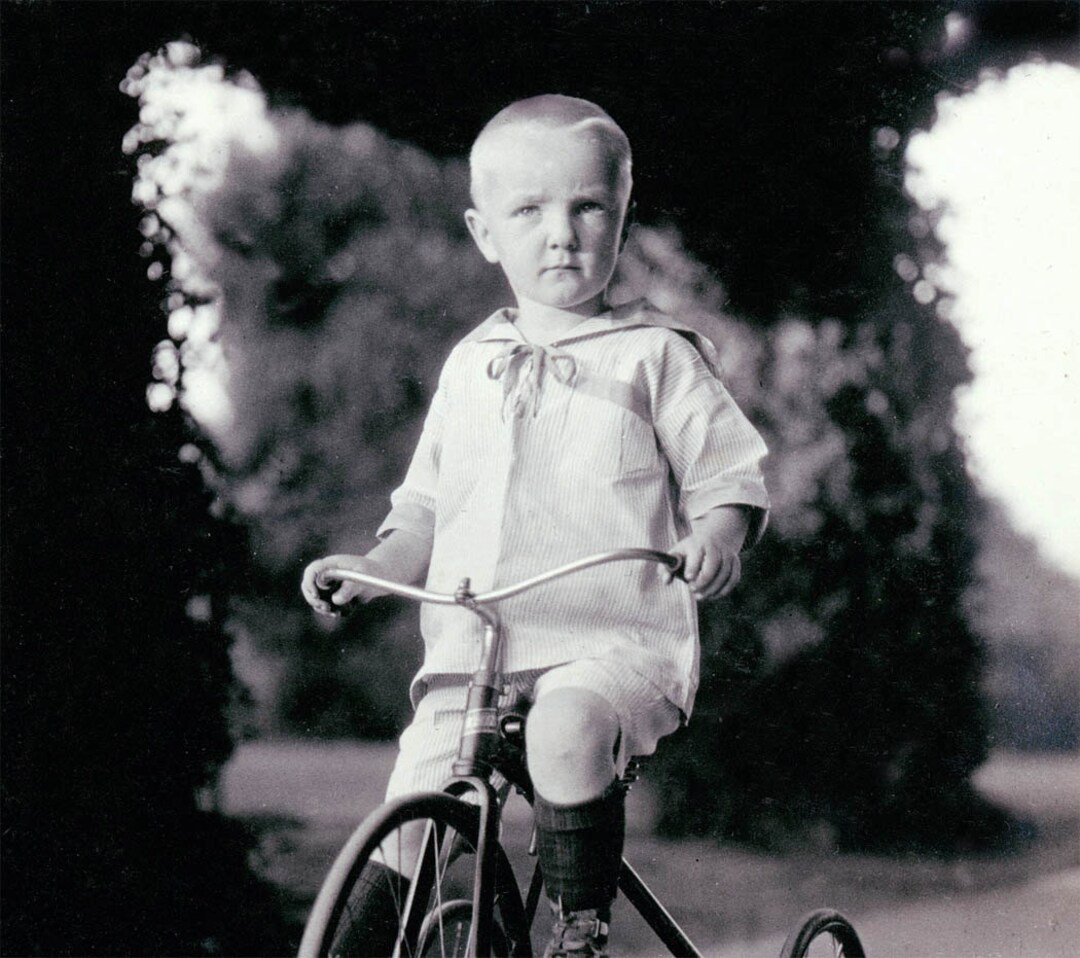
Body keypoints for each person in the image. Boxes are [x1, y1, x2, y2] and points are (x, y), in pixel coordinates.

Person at [301, 94, 769, 958]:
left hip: (607, 643)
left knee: (566, 730)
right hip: (472, 656)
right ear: (486, 234)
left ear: (621, 221)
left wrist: (719, 534)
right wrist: (375, 567)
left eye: (588, 207)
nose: (562, 233)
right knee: (406, 822)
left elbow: (726, 471)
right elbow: (427, 509)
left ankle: (580, 928)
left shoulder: (655, 353)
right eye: (530, 211)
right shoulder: (470, 367)